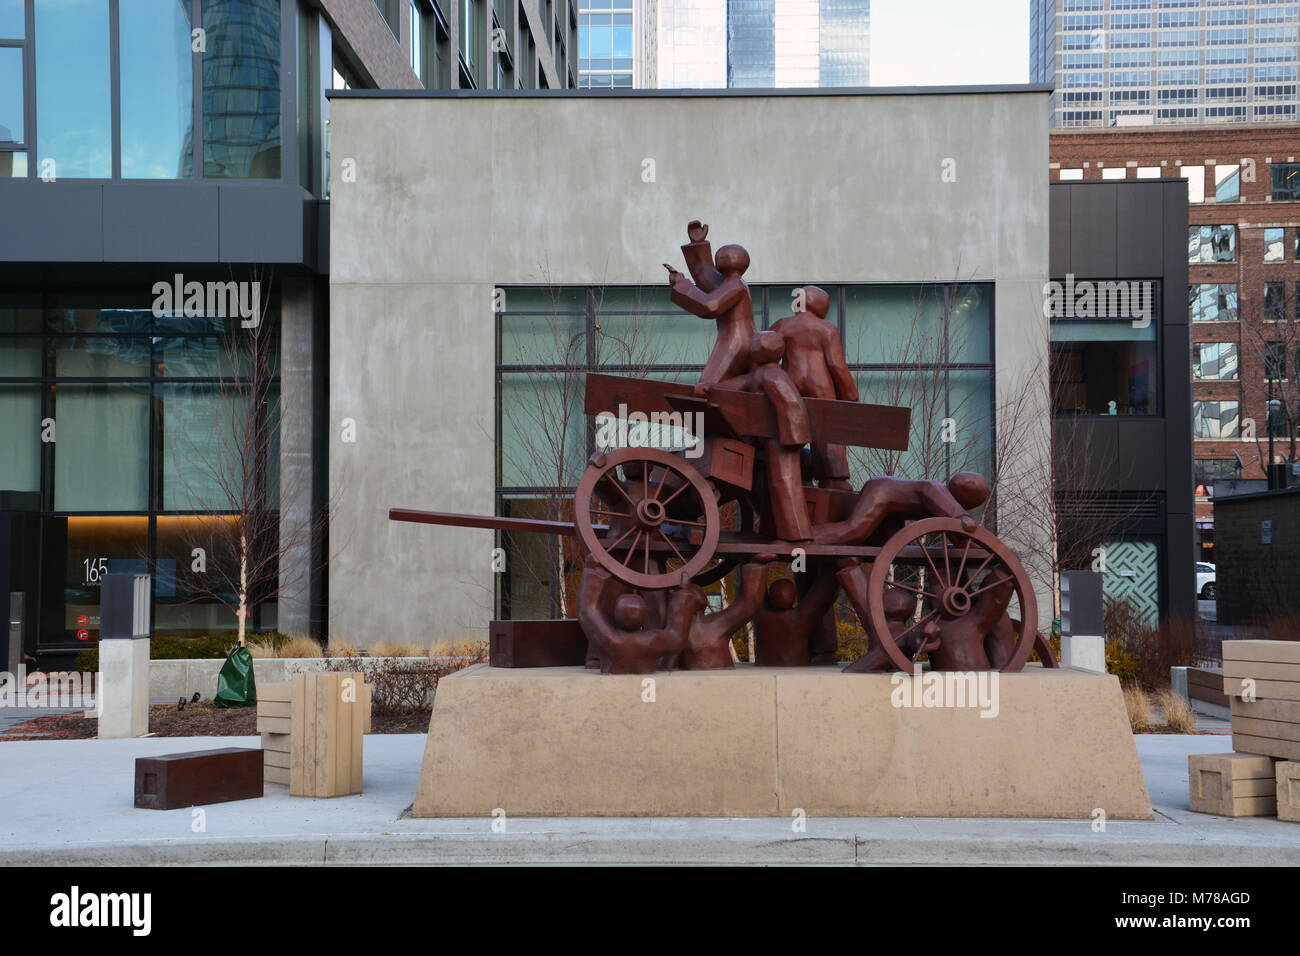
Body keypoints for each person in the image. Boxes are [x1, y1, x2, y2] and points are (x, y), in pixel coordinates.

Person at [769, 285, 859, 490]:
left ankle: (786, 475)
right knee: (828, 432)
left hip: (790, 384)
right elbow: (837, 365)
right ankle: (833, 479)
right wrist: (850, 395)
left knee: (787, 429)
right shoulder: (827, 329)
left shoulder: (782, 325)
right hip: (821, 386)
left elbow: (767, 354)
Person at [666, 220, 757, 388]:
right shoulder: (729, 282)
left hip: (737, 341)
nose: (718, 257)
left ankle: (745, 387)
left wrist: (681, 284)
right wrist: (698, 244)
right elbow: (705, 275)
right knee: (714, 388)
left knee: (707, 387)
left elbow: (710, 306)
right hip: (740, 340)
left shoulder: (736, 284)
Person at [812, 471, 988, 547]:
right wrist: (962, 517)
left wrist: (993, 552)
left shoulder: (945, 505)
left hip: (893, 514)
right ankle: (808, 536)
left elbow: (961, 543)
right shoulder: (937, 490)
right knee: (854, 531)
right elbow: (959, 522)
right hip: (882, 491)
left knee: (886, 545)